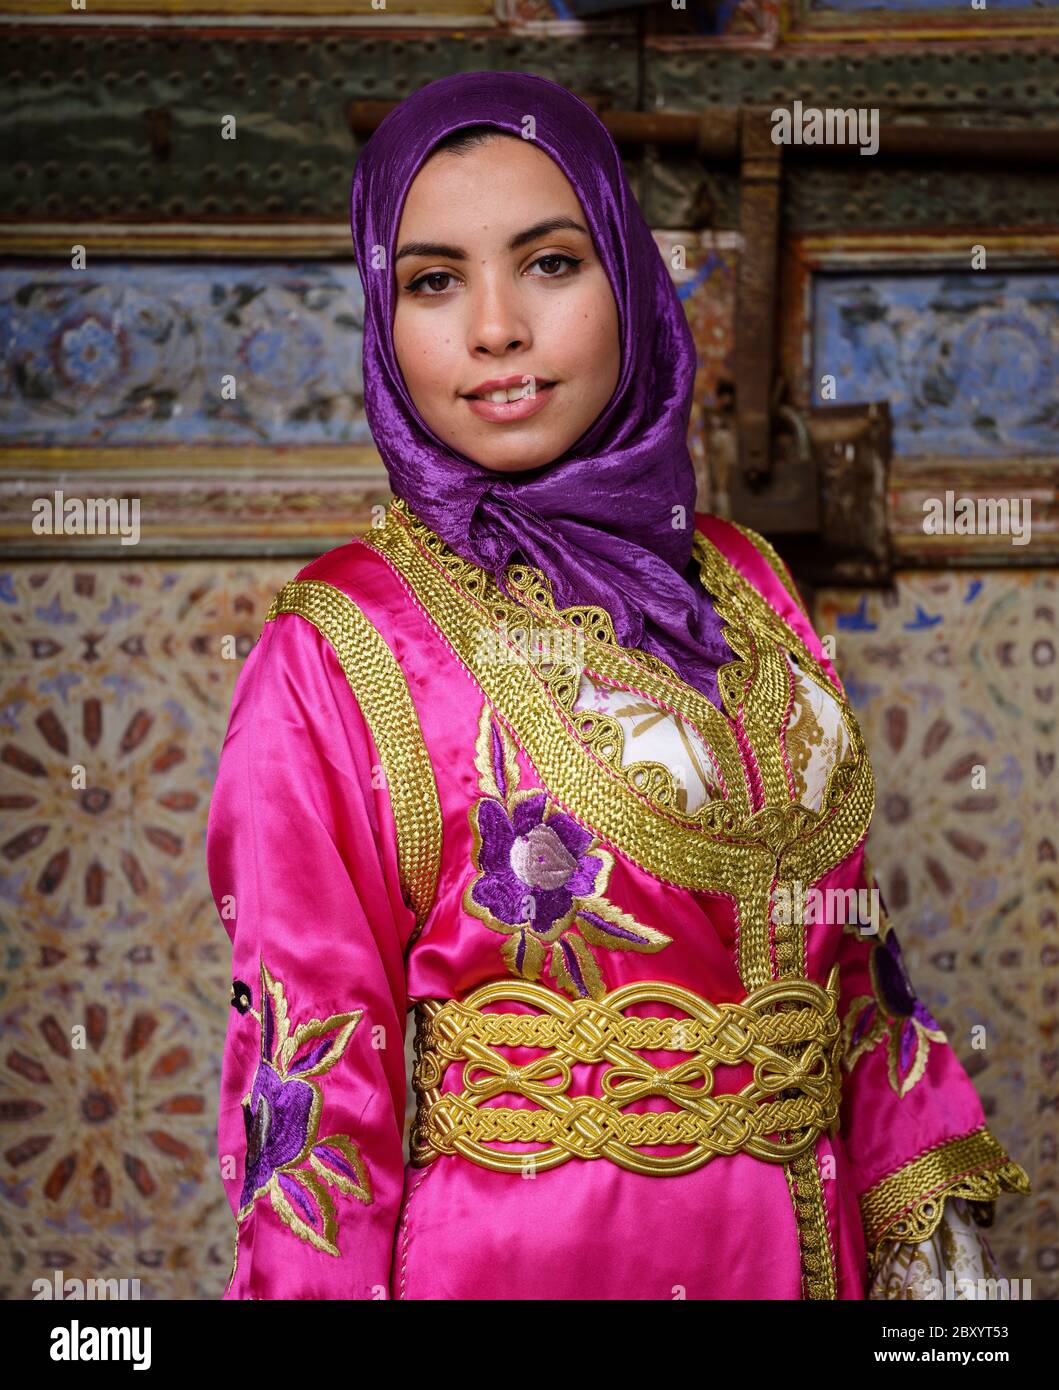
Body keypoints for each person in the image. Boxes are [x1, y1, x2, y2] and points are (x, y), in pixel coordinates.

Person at [207, 71, 1030, 1301]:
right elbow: (314, 1086)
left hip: (809, 1261)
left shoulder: (744, 577)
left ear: (632, 284)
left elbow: (848, 963)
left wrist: (931, 1261)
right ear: (383, 317)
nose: (495, 328)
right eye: (434, 281)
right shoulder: (337, 648)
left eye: (549, 263)